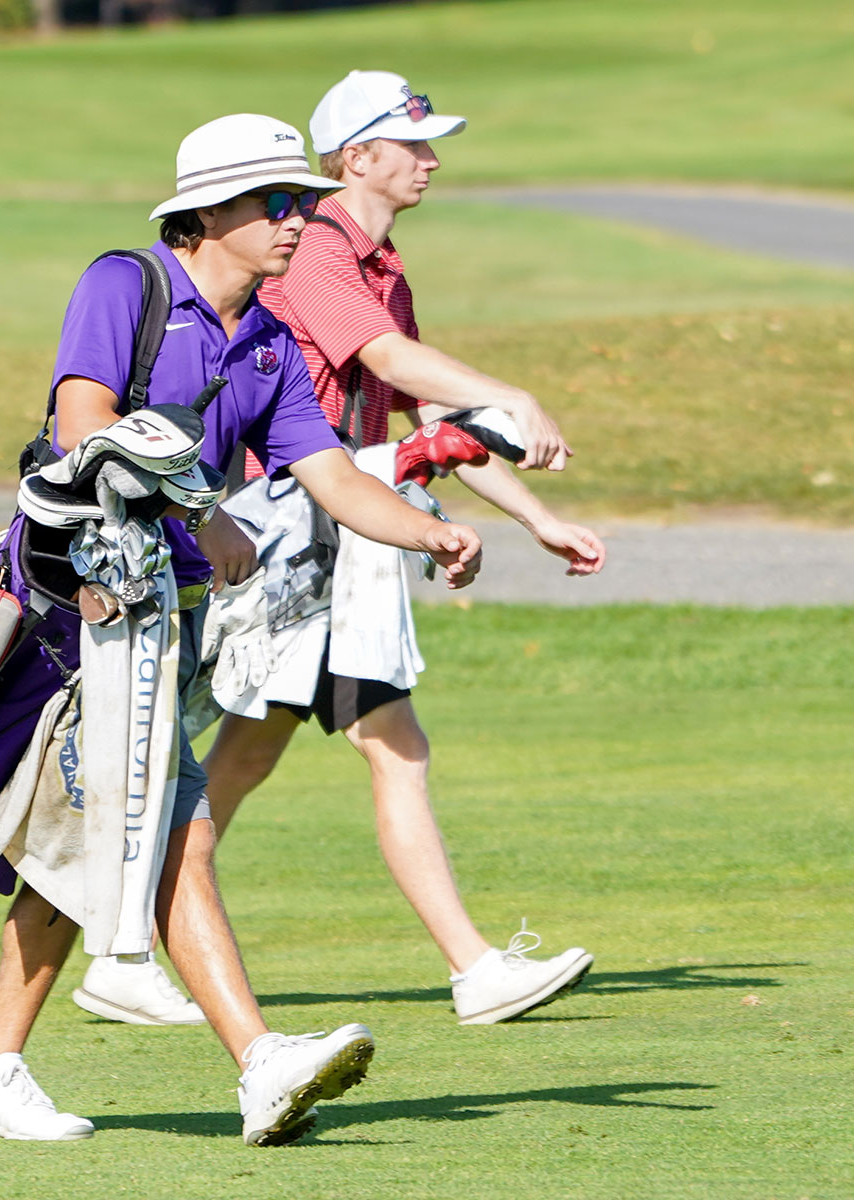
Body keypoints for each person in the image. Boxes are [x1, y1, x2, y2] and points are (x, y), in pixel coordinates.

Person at [0, 112, 484, 1145]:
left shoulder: (272, 342)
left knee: (95, 843)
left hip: (161, 630)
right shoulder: (128, 284)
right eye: (277, 204)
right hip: (74, 624)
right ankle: (257, 1062)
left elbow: (329, 479)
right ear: (208, 215)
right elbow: (82, 425)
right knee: (168, 824)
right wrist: (203, 508)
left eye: (304, 204)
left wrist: (429, 534)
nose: (297, 220)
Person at [198, 71, 611, 1027]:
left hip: (341, 530)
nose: (429, 160)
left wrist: (535, 519)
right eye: (411, 144)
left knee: (244, 757)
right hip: (293, 532)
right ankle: (474, 968)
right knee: (395, 746)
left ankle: (123, 941)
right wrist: (515, 395)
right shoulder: (316, 254)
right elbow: (387, 365)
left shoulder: (383, 268)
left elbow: (426, 412)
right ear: (357, 158)